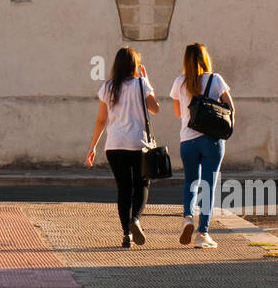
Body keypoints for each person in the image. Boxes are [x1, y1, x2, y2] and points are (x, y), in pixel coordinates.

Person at [87, 47, 160, 248]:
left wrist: (93, 147)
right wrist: (147, 82)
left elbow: (101, 120)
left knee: (123, 190)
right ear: (135, 66)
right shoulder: (141, 84)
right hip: (138, 144)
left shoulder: (108, 87)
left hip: (114, 145)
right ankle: (135, 219)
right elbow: (155, 109)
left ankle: (126, 235)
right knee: (142, 185)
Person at [169, 42, 235, 249]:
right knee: (208, 185)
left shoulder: (180, 82)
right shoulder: (216, 80)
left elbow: (179, 113)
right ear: (205, 58)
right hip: (212, 140)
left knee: (190, 181)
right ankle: (202, 234)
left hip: (187, 140)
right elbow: (230, 108)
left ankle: (187, 217)